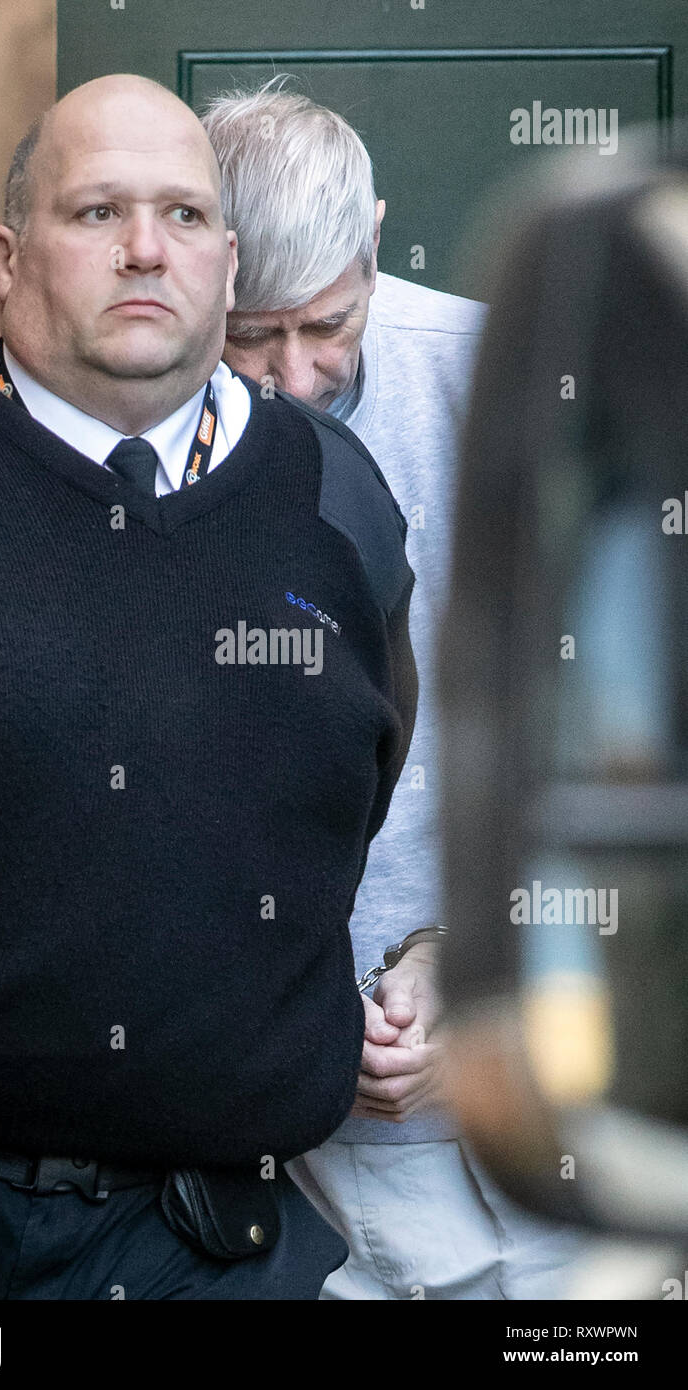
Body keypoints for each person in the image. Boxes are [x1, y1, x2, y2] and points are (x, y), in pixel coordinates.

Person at [0, 74, 417, 1300]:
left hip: (216, 1250)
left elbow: (355, 790)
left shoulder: (338, 499)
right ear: (8, 258)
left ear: (225, 258)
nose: (148, 249)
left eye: (186, 216)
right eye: (98, 213)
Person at [204, 77, 582, 1299]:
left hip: (520, 1134)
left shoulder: (502, 382)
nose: (290, 379)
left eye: (325, 325)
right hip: (264, 1162)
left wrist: (464, 953)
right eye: (249, 333)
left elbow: (603, 736)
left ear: (372, 238)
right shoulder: (145, 409)